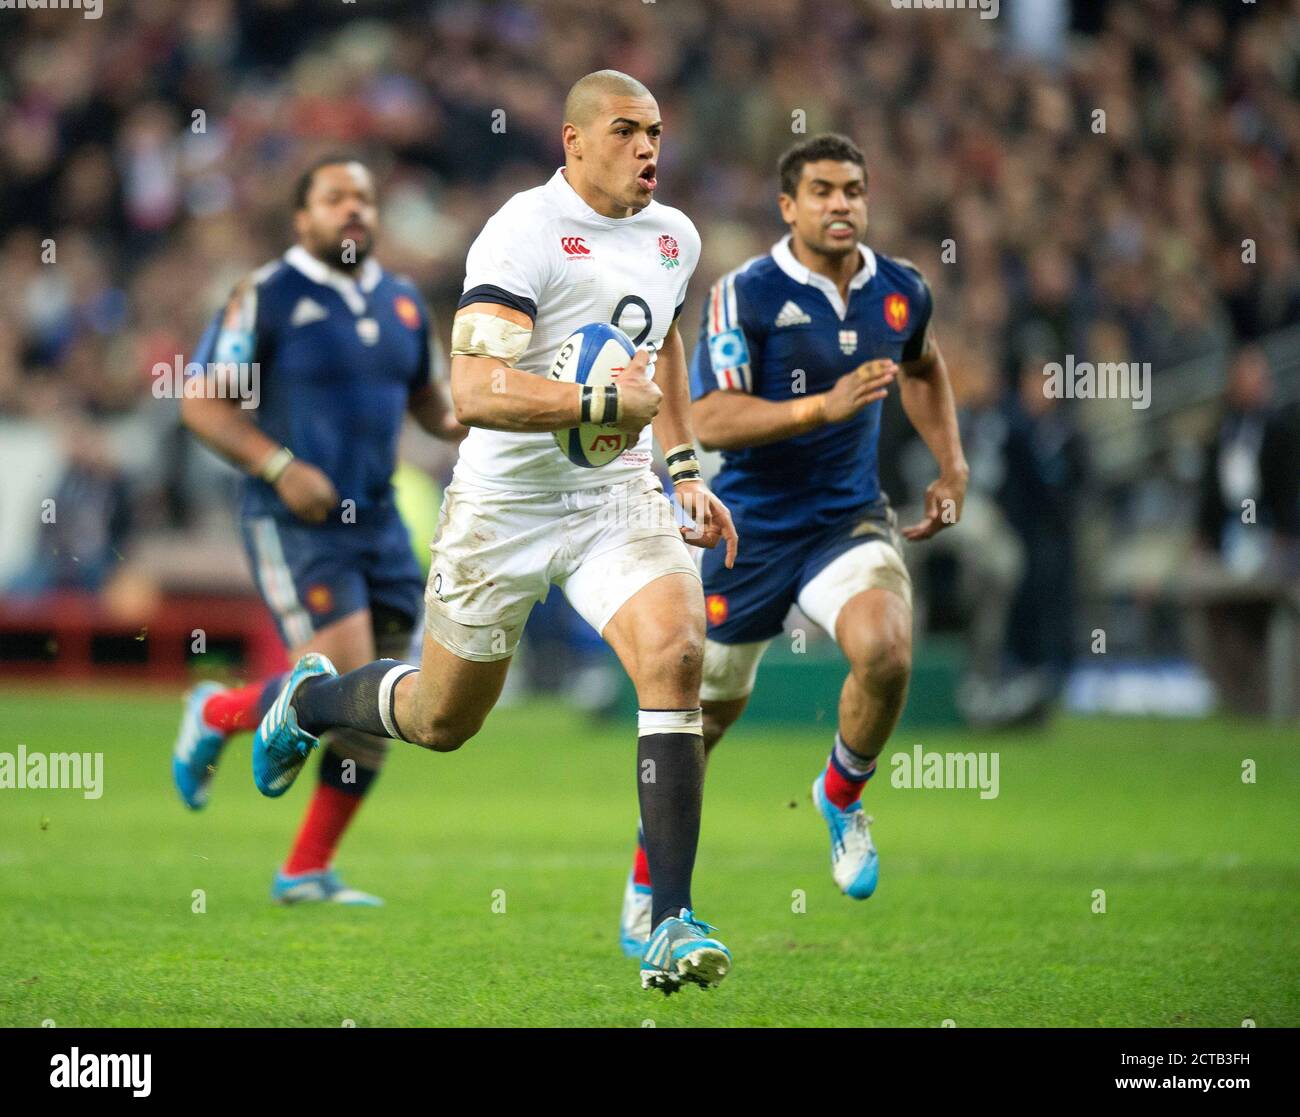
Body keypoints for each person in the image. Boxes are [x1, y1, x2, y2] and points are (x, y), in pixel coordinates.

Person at [251, 71, 740, 995]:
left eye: (658, 133)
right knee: (442, 720)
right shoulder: (521, 232)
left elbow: (666, 345)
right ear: (574, 140)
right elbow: (474, 394)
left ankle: (669, 918)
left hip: (615, 498)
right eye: (628, 131)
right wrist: (598, 397)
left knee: (679, 655)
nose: (649, 150)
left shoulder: (675, 236)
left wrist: (682, 468)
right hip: (504, 505)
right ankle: (309, 704)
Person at [618, 133, 969, 953]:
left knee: (884, 649)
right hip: (751, 528)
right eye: (822, 191)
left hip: (847, 517)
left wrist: (951, 465)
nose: (840, 203)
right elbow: (708, 418)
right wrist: (824, 406)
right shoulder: (746, 293)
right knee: (700, 724)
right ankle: (648, 879)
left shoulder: (900, 290)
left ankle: (841, 795)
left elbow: (924, 367)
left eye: (853, 189)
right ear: (789, 206)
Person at [172, 157, 464, 905]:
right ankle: (214, 712)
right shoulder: (267, 293)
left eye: (365, 198)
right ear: (302, 217)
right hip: (295, 518)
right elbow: (202, 400)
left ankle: (306, 867)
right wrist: (278, 464)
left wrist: (507, 412)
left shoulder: (401, 302)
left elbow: (436, 408)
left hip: (380, 521)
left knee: (384, 698)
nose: (354, 211)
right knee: (340, 674)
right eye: (335, 198)